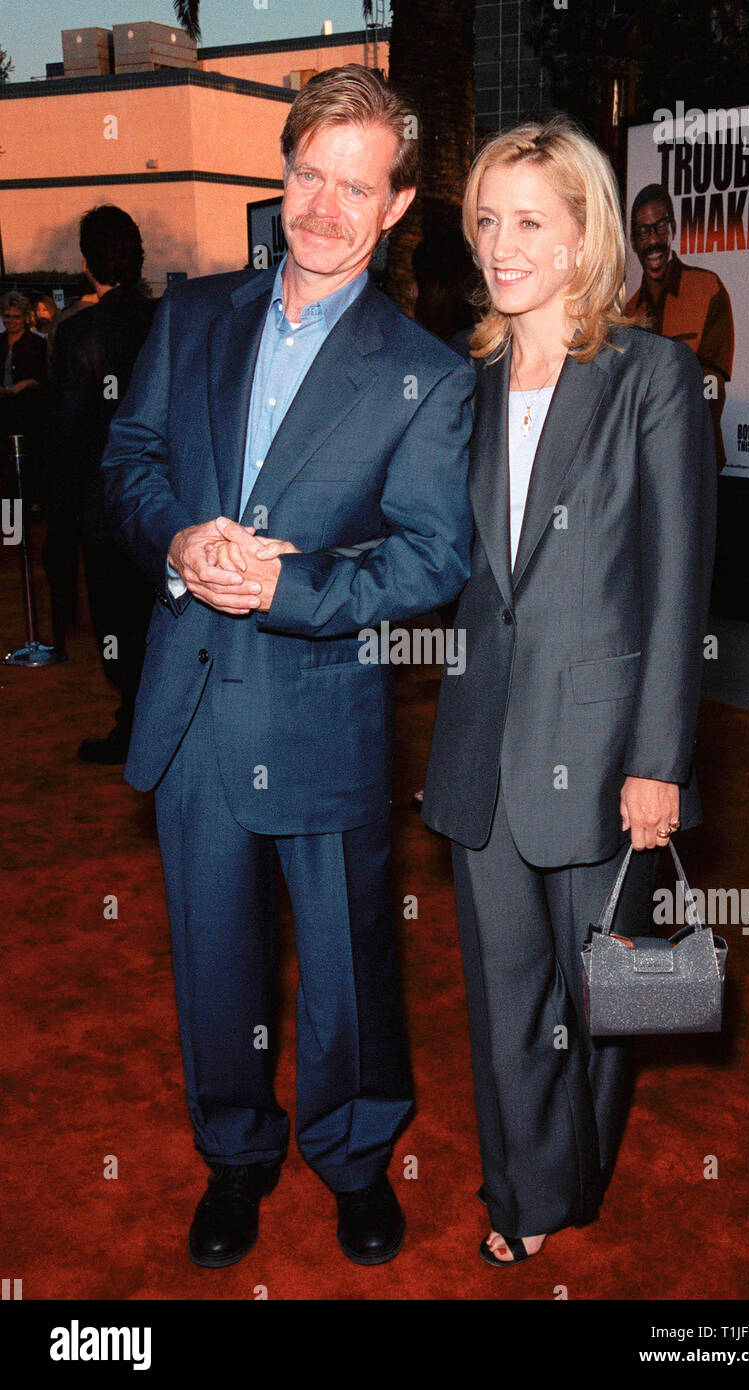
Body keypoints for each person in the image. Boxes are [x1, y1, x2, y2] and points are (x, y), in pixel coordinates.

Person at [102, 64, 474, 1269]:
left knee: (352, 964)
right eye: (309, 173)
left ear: (396, 204)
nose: (324, 206)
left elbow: (430, 561)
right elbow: (131, 452)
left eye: (354, 186)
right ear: (283, 172)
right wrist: (173, 532)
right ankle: (236, 1156)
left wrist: (290, 585)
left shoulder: (427, 372)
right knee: (216, 960)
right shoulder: (195, 311)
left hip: (322, 712)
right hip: (196, 700)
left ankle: (357, 1159)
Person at [422, 119, 716, 1265]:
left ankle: (573, 1168)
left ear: (586, 230)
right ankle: (523, 1193)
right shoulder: (463, 376)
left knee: (609, 993)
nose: (500, 244)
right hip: (479, 738)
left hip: (603, 745)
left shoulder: (650, 375)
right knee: (504, 998)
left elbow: (676, 587)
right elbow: (430, 554)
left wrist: (659, 762)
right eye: (486, 221)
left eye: (527, 220)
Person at [45, 206, 156, 752]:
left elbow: (67, 433)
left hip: (106, 507)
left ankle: (136, 724)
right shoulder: (170, 320)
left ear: (86, 263)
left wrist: (58, 514)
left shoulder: (79, 335)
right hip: (168, 503)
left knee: (116, 623)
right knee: (160, 613)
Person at [627, 183, 734, 471]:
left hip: (698, 461)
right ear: (634, 242)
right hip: (644, 467)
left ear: (673, 230)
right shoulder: (628, 313)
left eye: (660, 228)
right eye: (643, 232)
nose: (653, 241)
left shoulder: (708, 288)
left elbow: (713, 385)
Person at [0, 292, 49, 508]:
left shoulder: (37, 343)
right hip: (3, 409)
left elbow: (46, 379)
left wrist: (25, 383)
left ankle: (34, 502)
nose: (10, 321)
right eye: (7, 316)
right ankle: (10, 508)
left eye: (15, 316)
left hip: (29, 410)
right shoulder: (0, 342)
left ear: (25, 317)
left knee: (32, 456)